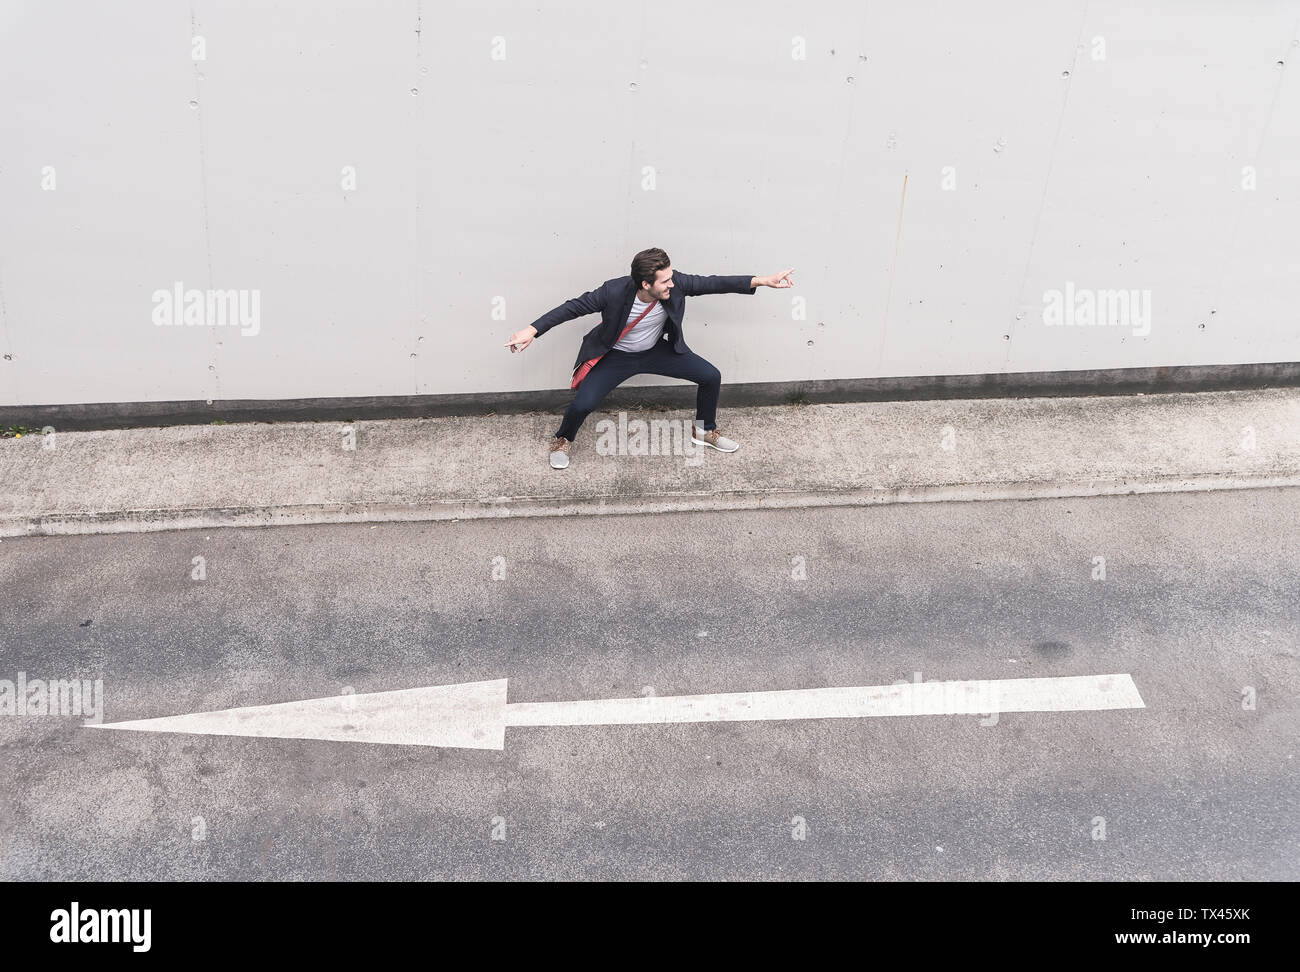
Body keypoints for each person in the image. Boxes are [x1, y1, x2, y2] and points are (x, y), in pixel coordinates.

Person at [505, 247, 794, 468]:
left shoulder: (676, 283)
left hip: (656, 351)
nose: (673, 283)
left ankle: (704, 430)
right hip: (616, 357)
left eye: (672, 277)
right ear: (646, 284)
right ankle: (563, 439)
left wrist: (763, 280)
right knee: (583, 403)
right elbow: (572, 308)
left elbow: (713, 283)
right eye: (665, 281)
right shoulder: (613, 292)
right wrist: (531, 331)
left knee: (711, 376)